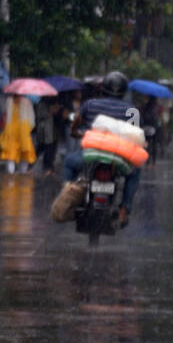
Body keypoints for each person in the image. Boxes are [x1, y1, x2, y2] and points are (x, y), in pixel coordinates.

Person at [61, 70, 142, 226]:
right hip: (118, 159)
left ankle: (69, 196)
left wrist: (74, 132)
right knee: (134, 173)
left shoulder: (90, 104)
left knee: (70, 162)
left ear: (103, 88)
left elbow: (76, 123)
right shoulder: (132, 111)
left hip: (91, 155)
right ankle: (124, 210)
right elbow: (136, 136)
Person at [0, 94, 37, 172]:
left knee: (22, 155)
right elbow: (32, 120)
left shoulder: (25, 102)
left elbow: (31, 120)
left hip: (21, 133)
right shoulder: (10, 102)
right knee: (11, 155)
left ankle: (19, 173)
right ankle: (13, 173)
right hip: (13, 132)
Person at [34, 96, 61, 176]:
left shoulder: (54, 102)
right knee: (44, 148)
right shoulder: (41, 103)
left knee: (51, 149)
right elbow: (40, 115)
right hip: (45, 131)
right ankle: (45, 167)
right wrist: (51, 112)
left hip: (53, 130)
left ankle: (49, 167)